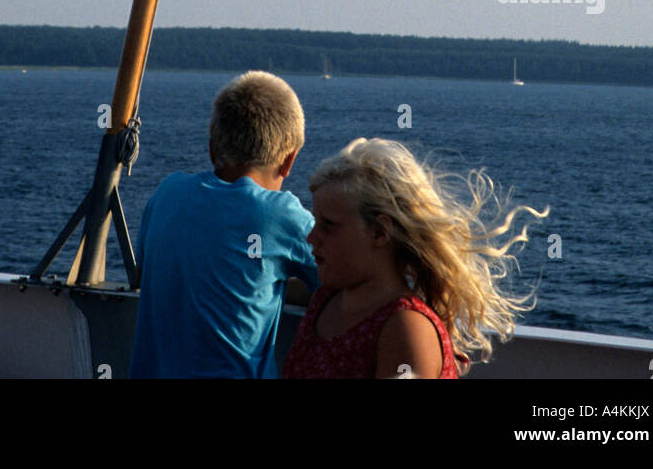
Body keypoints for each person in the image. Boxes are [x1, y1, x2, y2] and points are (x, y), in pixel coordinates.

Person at [283, 138, 548, 380]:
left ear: (379, 232)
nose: (312, 237)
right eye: (316, 222)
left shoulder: (406, 329)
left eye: (329, 225)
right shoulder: (325, 300)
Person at [129, 71, 319, 378]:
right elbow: (341, 282)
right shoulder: (281, 215)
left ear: (212, 149)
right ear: (289, 161)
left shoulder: (167, 193)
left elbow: (145, 272)